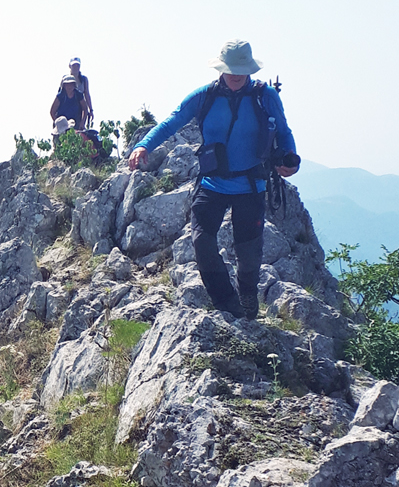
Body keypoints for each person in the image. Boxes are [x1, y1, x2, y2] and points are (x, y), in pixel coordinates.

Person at [127, 40, 300, 320]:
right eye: (231, 68)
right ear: (221, 67)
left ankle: (247, 299)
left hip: (251, 185)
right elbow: (172, 121)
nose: (235, 74)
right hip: (212, 183)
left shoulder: (265, 96)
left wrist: (290, 157)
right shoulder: (204, 96)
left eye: (241, 69)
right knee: (201, 243)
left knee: (249, 256)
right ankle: (226, 303)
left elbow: (283, 131)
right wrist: (144, 145)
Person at [67, 57, 93, 122]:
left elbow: (87, 94)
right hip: (67, 108)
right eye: (74, 65)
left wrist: (91, 109)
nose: (76, 67)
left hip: (79, 109)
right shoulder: (66, 79)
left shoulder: (84, 79)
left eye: (77, 65)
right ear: (70, 66)